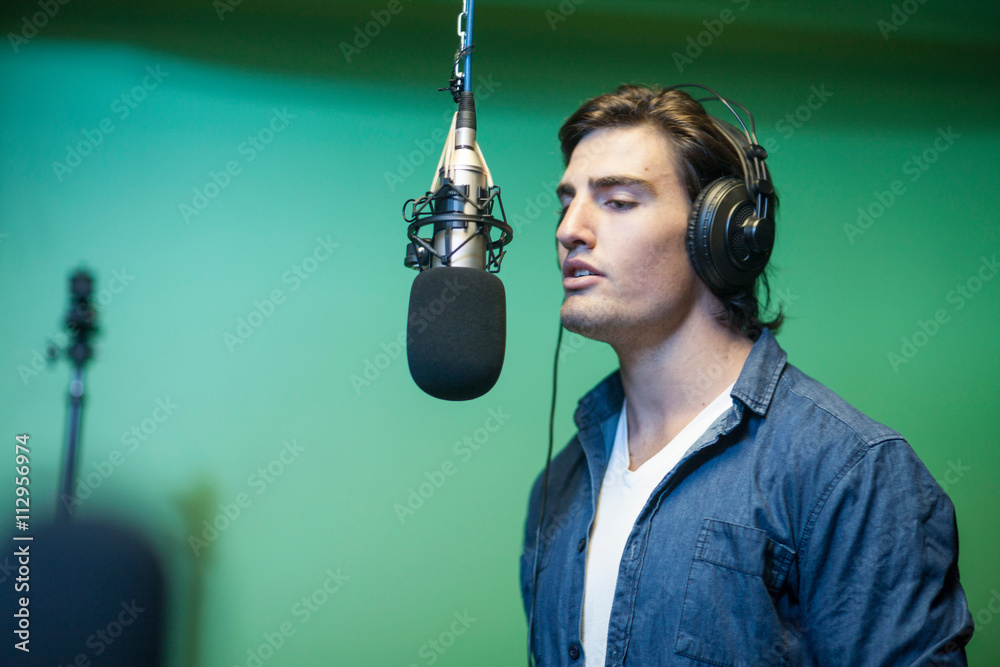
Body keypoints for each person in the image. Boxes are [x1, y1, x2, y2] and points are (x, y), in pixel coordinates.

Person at [520, 84, 974, 666]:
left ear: (722, 233)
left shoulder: (849, 474)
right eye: (567, 202)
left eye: (618, 201)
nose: (569, 230)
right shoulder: (560, 485)